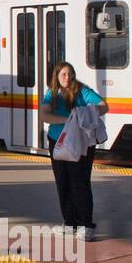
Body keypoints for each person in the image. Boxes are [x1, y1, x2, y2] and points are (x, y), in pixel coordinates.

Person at [41, 61, 108, 240]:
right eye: (63, 74)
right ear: (56, 76)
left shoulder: (83, 91)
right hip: (58, 141)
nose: (67, 77)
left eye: (70, 74)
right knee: (63, 182)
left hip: (81, 144)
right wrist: (69, 119)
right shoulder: (51, 94)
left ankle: (86, 224)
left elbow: (104, 106)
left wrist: (85, 113)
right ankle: (69, 223)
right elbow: (45, 115)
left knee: (80, 182)